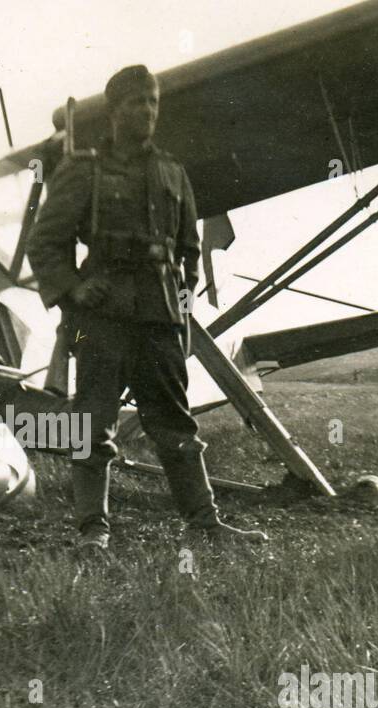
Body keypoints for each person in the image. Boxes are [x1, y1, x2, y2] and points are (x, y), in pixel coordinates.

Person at [27, 65, 267, 551]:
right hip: (103, 317)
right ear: (115, 111)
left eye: (154, 102)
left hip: (158, 316)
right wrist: (73, 291)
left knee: (175, 423)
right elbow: (45, 243)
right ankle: (93, 530)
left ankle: (205, 524)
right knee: (93, 424)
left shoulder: (173, 173)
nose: (148, 111)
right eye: (138, 102)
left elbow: (187, 251)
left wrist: (181, 312)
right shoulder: (83, 171)